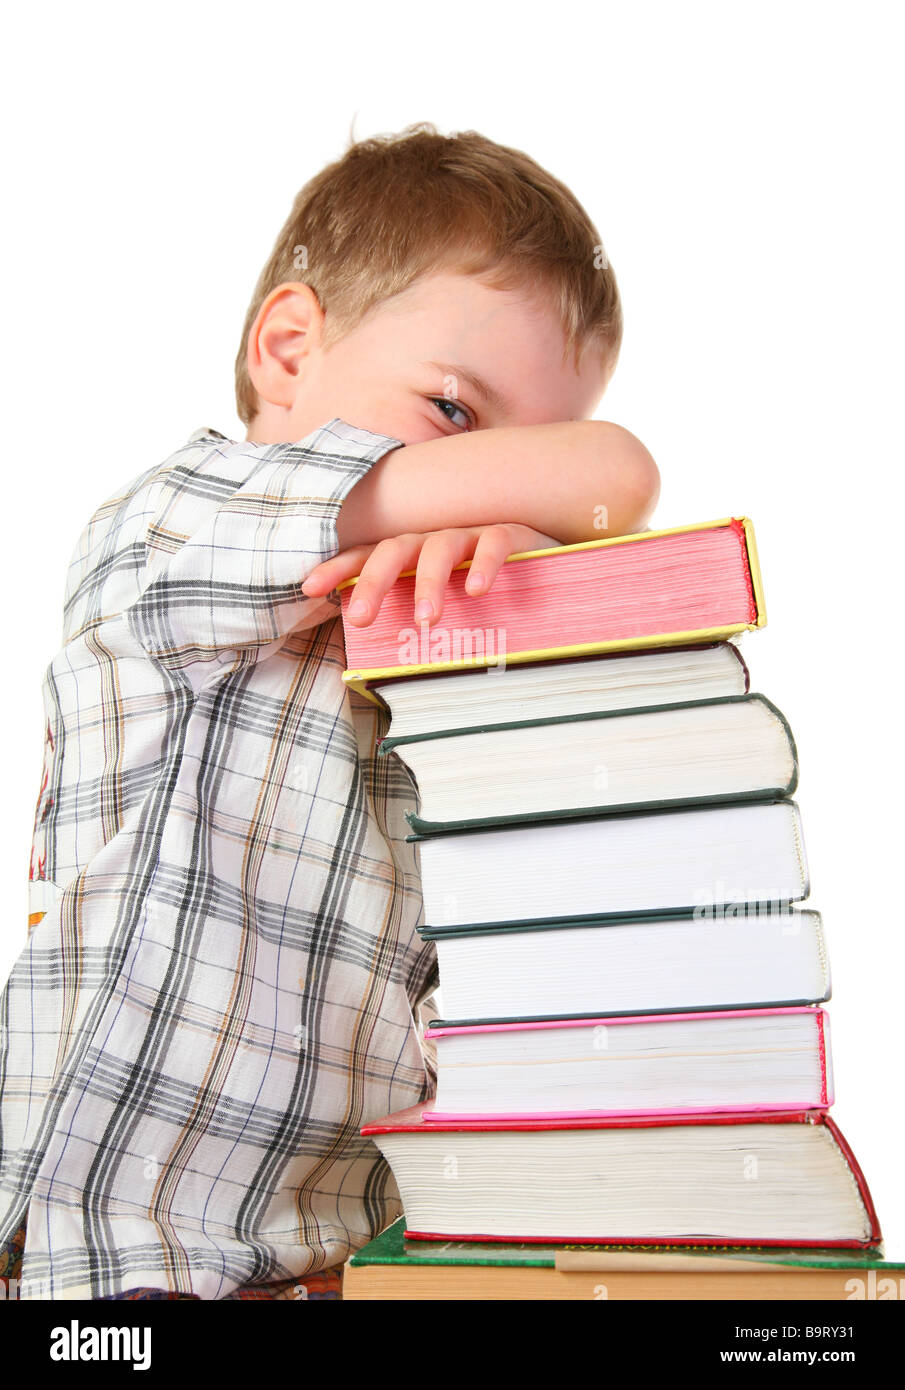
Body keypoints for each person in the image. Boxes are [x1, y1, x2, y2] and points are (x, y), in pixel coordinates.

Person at [0, 123, 659, 1300]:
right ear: (289, 349)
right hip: (111, 1246)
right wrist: (541, 494)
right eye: (457, 413)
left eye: (525, 443)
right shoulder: (175, 513)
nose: (496, 473)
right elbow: (613, 475)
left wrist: (503, 554)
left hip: (332, 1244)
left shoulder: (434, 636)